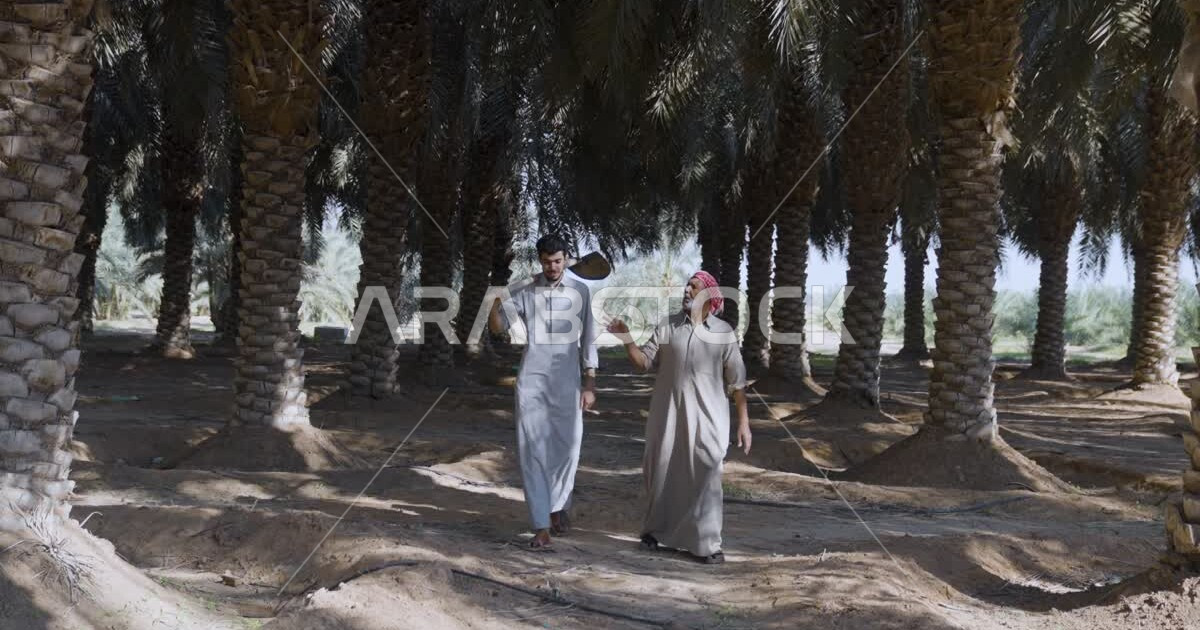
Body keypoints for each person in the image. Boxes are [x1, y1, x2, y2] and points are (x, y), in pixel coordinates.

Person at [606, 270, 751, 564]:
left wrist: (744, 423)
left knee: (707, 473)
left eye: (694, 287)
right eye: (687, 285)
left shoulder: (723, 333)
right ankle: (655, 532)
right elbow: (643, 362)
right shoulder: (667, 326)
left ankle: (707, 544)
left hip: (709, 419)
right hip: (668, 415)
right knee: (661, 470)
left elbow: (737, 383)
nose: (686, 290)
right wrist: (627, 340)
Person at [489, 234, 598, 548]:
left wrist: (590, 383)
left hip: (568, 381)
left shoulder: (580, 291)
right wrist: (496, 299)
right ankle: (541, 525)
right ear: (539, 260)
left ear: (565, 259)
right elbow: (498, 327)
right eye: (547, 261)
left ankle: (556, 505)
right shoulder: (525, 291)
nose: (552, 266)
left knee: (568, 448)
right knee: (533, 451)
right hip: (532, 382)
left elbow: (589, 337)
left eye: (558, 261)